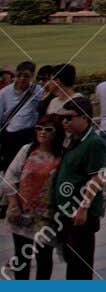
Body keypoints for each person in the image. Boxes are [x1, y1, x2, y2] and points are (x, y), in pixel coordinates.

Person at [53, 96, 106, 279]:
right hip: (67, 212)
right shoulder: (73, 140)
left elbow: (96, 178)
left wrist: (83, 207)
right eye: (63, 118)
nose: (65, 122)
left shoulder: (94, 143)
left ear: (84, 117)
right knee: (71, 260)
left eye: (69, 117)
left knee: (81, 263)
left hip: (81, 214)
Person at [2, 117, 61, 279]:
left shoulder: (61, 154)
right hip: (22, 213)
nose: (42, 132)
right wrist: (14, 204)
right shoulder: (27, 150)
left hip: (47, 216)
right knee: (21, 256)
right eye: (39, 128)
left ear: (56, 133)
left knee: (44, 256)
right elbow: (10, 177)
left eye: (48, 129)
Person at [0, 62, 43, 177]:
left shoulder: (38, 90)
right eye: (19, 75)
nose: (22, 79)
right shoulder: (4, 93)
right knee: (9, 169)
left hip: (29, 135)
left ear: (32, 75)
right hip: (10, 137)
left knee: (25, 169)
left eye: (26, 76)